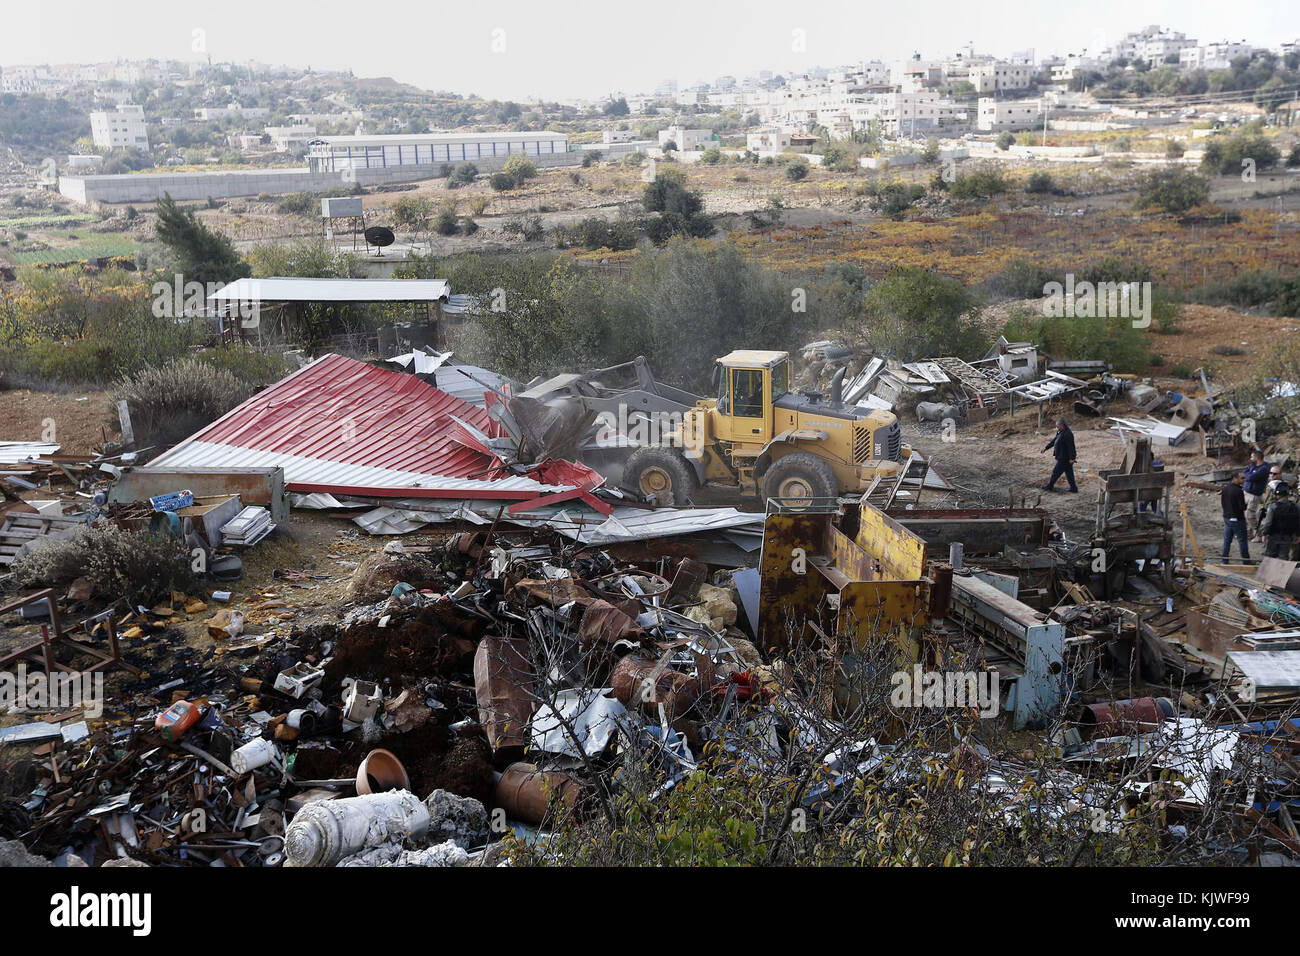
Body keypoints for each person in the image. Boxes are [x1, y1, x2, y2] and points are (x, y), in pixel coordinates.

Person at [1259, 482, 1299, 560]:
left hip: (1273, 536)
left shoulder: (1273, 506)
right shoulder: (1295, 507)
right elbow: (1298, 522)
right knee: (1283, 558)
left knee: (1269, 558)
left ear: (1277, 495)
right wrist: (1298, 535)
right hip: (1287, 537)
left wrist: (1264, 533)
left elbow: (1268, 523)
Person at [1041, 417, 1078, 493]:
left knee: (1055, 472)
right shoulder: (1060, 432)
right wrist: (1046, 448)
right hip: (1062, 457)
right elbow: (1054, 441)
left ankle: (1050, 486)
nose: (1056, 428)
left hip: (1064, 458)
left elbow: (1071, 447)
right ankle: (1074, 488)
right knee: (1069, 473)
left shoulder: (1068, 434)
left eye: (1057, 426)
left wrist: (1072, 458)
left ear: (1062, 425)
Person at [1221, 472, 1250, 562]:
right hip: (1237, 519)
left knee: (1227, 541)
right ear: (1235, 478)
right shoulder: (1238, 491)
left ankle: (1224, 560)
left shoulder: (1225, 489)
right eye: (1242, 478)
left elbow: (1223, 503)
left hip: (1227, 518)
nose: (1244, 480)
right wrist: (1246, 504)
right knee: (1242, 541)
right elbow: (1242, 507)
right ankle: (1246, 561)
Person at [1242, 449, 1270, 540]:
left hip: (1254, 495)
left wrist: (1248, 475)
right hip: (1246, 492)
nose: (1250, 458)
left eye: (1252, 457)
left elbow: (1250, 477)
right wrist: (1249, 474)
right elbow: (1245, 472)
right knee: (1244, 514)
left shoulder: (1264, 468)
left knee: (1250, 515)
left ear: (1257, 458)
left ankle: (1258, 533)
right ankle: (1248, 534)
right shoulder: (1253, 465)